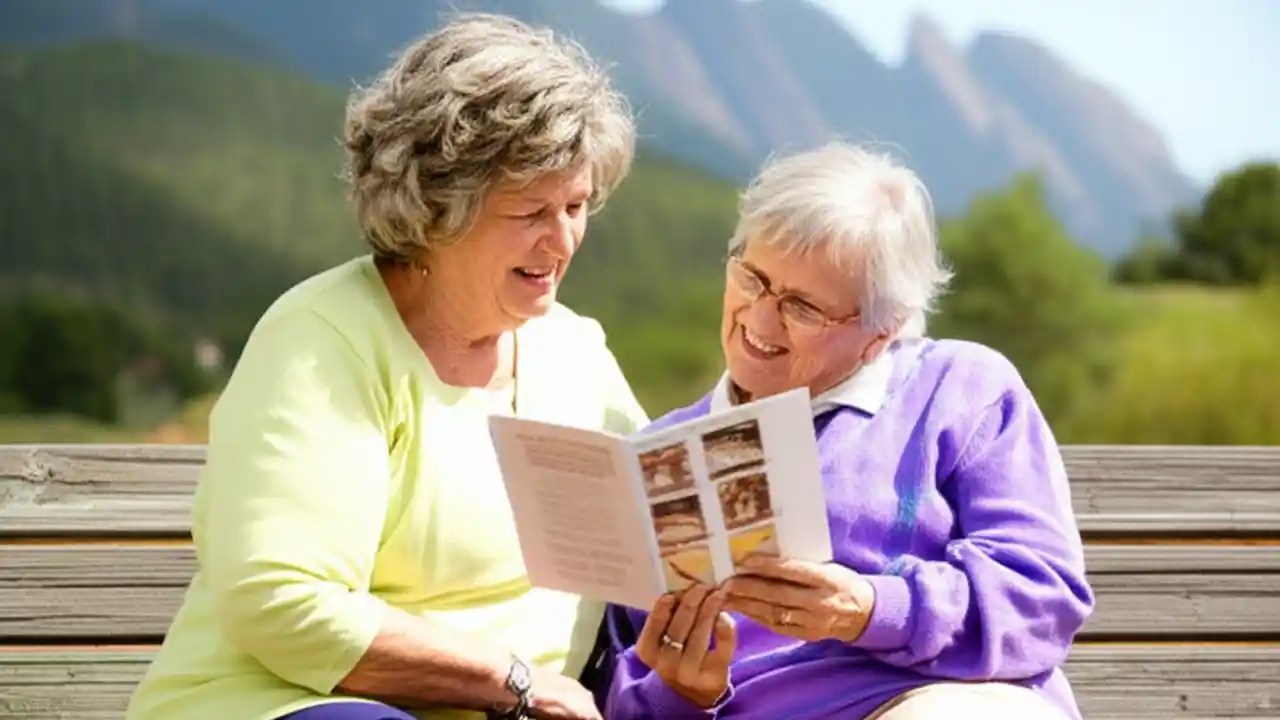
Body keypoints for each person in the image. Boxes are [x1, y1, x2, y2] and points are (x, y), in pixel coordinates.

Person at [125, 13, 645, 720]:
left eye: (578, 206)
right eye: (530, 212)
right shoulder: (322, 338)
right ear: (437, 209)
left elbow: (659, 531)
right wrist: (512, 680)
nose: (562, 241)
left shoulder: (576, 350)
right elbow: (279, 601)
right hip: (283, 705)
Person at [601, 142, 1095, 720]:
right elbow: (621, 684)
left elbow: (1041, 600)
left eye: (803, 307)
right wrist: (681, 694)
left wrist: (873, 610)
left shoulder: (961, 389)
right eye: (753, 278)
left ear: (881, 332)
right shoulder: (666, 451)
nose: (759, 321)